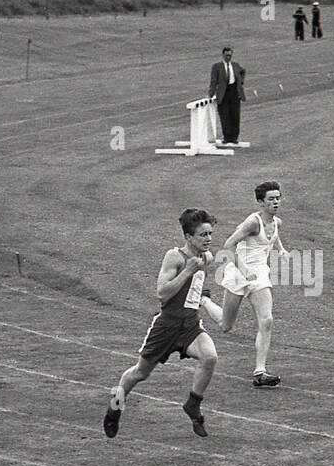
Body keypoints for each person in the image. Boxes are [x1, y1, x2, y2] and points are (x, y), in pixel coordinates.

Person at [104, 209, 221, 439]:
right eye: (202, 235)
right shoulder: (175, 257)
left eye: (210, 234)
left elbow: (194, 292)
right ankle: (114, 408)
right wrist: (187, 271)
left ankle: (193, 404)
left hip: (190, 325)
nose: (208, 239)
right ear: (188, 237)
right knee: (139, 373)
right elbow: (162, 293)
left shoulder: (207, 257)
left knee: (210, 357)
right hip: (166, 327)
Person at [202, 181, 285, 386]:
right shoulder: (252, 222)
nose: (275, 202)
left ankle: (260, 372)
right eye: (271, 199)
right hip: (238, 273)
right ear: (261, 203)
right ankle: (203, 300)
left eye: (278, 198)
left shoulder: (277, 222)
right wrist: (244, 270)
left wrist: (281, 250)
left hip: (259, 276)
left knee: (267, 320)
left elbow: (274, 236)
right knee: (226, 325)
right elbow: (228, 244)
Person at [208, 46, 246, 144]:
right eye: (226, 55)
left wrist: (240, 83)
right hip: (223, 93)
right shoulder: (217, 67)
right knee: (224, 116)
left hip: (234, 92)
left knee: (235, 115)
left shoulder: (235, 65)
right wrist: (211, 93)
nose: (228, 57)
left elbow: (243, 72)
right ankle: (227, 137)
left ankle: (234, 138)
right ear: (223, 55)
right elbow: (213, 81)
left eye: (230, 55)